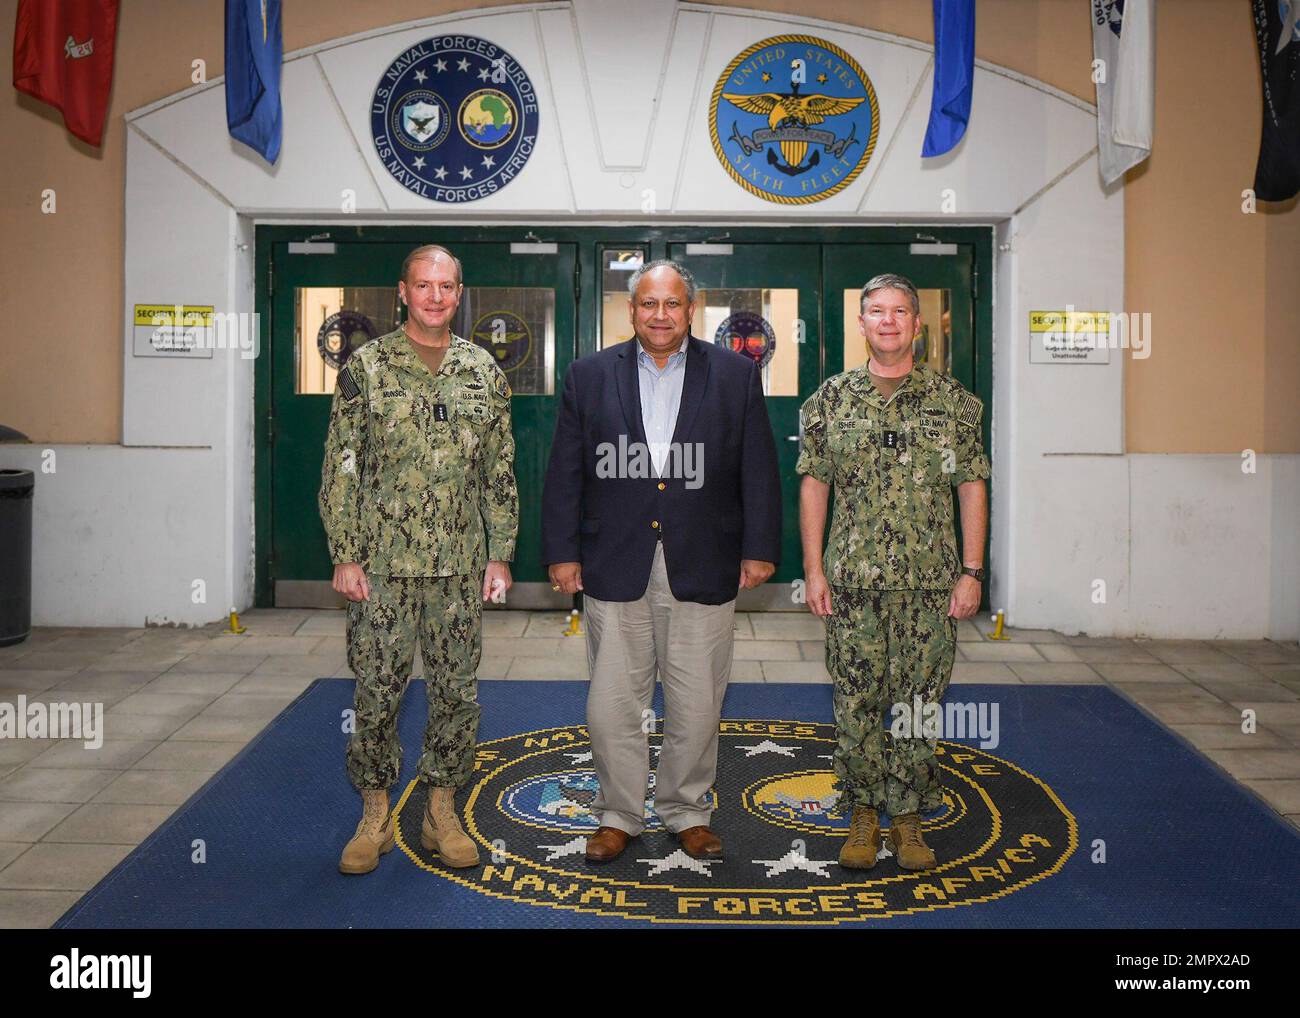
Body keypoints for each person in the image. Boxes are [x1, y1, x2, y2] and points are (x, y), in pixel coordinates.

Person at [542, 259, 782, 863]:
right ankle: (619, 813)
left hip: (704, 558)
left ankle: (687, 811)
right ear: (632, 310)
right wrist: (562, 553)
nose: (660, 315)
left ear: (690, 309)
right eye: (648, 304)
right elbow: (565, 471)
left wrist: (759, 548)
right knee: (613, 700)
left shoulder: (734, 374)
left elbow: (758, 465)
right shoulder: (589, 374)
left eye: (671, 304)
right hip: (613, 559)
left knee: (698, 698)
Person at [318, 244, 518, 875]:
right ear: (402, 291)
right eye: (424, 285)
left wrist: (501, 554)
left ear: (460, 294)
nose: (436, 296)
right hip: (382, 566)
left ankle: (440, 811)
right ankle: (374, 815)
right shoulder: (366, 369)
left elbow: (499, 471)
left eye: (447, 286)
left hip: (459, 566)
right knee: (376, 692)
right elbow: (342, 467)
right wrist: (345, 553)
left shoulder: (483, 371)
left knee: (457, 692)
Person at [797, 272, 989, 872]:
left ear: (917, 323)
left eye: (899, 311)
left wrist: (972, 570)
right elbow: (814, 485)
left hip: (931, 585)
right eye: (876, 311)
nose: (887, 321)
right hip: (852, 584)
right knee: (855, 701)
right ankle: (861, 815)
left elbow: (972, 487)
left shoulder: (953, 403)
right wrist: (814, 568)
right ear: (861, 323)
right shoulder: (831, 401)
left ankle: (907, 819)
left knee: (917, 704)